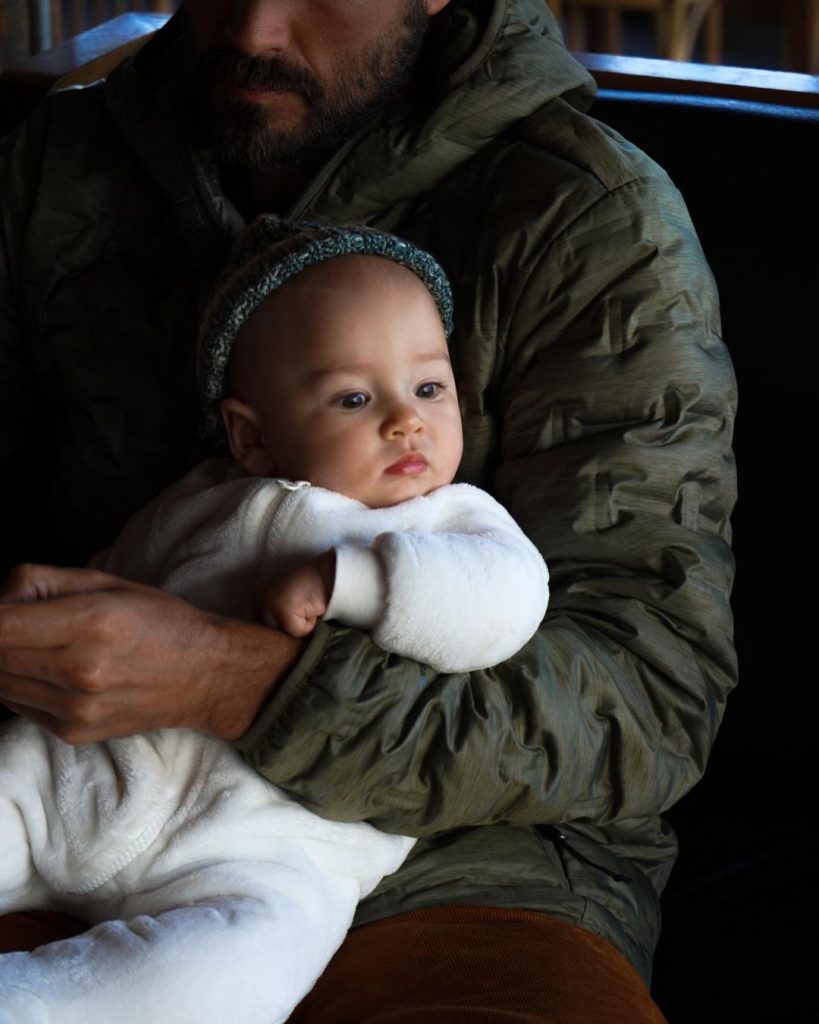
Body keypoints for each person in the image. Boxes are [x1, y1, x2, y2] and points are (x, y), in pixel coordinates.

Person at [0, 1, 737, 1020]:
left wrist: (237, 684)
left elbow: (646, 700)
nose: (254, 30)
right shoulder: (64, 164)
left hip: (473, 874)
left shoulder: (586, 219)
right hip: (74, 787)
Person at [0, 219, 550, 1024]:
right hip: (83, 782)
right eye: (355, 398)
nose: (407, 421)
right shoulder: (197, 499)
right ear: (251, 438)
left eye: (429, 388)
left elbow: (506, 604)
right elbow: (115, 579)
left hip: (269, 848)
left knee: (240, 969)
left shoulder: (451, 524)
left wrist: (355, 580)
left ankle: (39, 1006)